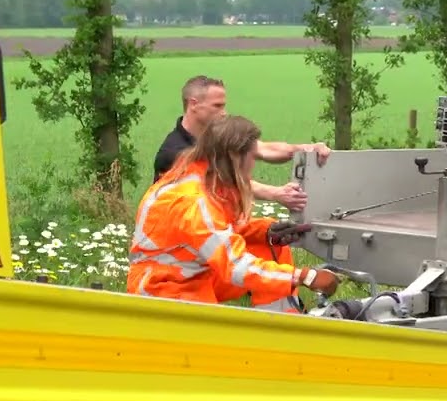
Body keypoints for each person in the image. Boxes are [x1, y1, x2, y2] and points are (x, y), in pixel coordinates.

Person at [129, 115, 339, 314]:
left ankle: (282, 326)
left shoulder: (204, 177)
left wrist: (265, 231)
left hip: (190, 272)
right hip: (163, 288)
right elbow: (235, 266)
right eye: (253, 156)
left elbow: (215, 231)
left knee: (268, 247)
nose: (254, 164)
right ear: (235, 157)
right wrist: (305, 276)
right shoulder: (193, 200)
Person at [152, 75, 333, 212]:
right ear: (193, 104)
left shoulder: (219, 135)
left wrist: (308, 149)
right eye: (217, 106)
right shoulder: (174, 153)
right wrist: (276, 193)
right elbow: (223, 181)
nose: (224, 113)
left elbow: (265, 149)